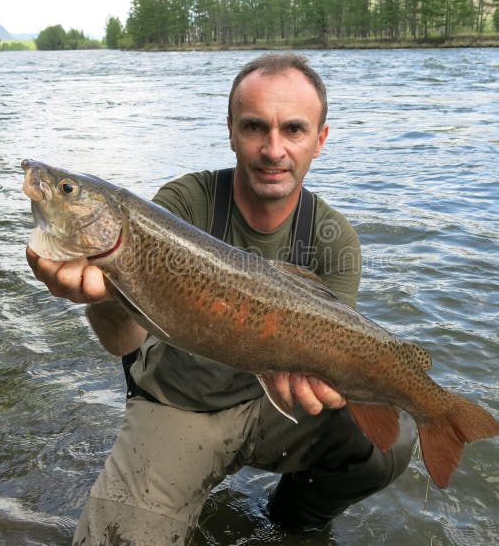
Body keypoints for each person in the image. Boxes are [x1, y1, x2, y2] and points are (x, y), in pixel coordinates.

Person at [26, 53, 418, 545]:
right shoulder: (182, 205)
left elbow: (337, 352)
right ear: (231, 130)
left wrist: (344, 384)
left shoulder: (333, 239)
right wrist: (101, 297)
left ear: (320, 139)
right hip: (176, 406)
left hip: (274, 405)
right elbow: (122, 341)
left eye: (293, 130)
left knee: (393, 437)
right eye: (255, 127)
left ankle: (292, 521)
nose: (273, 149)